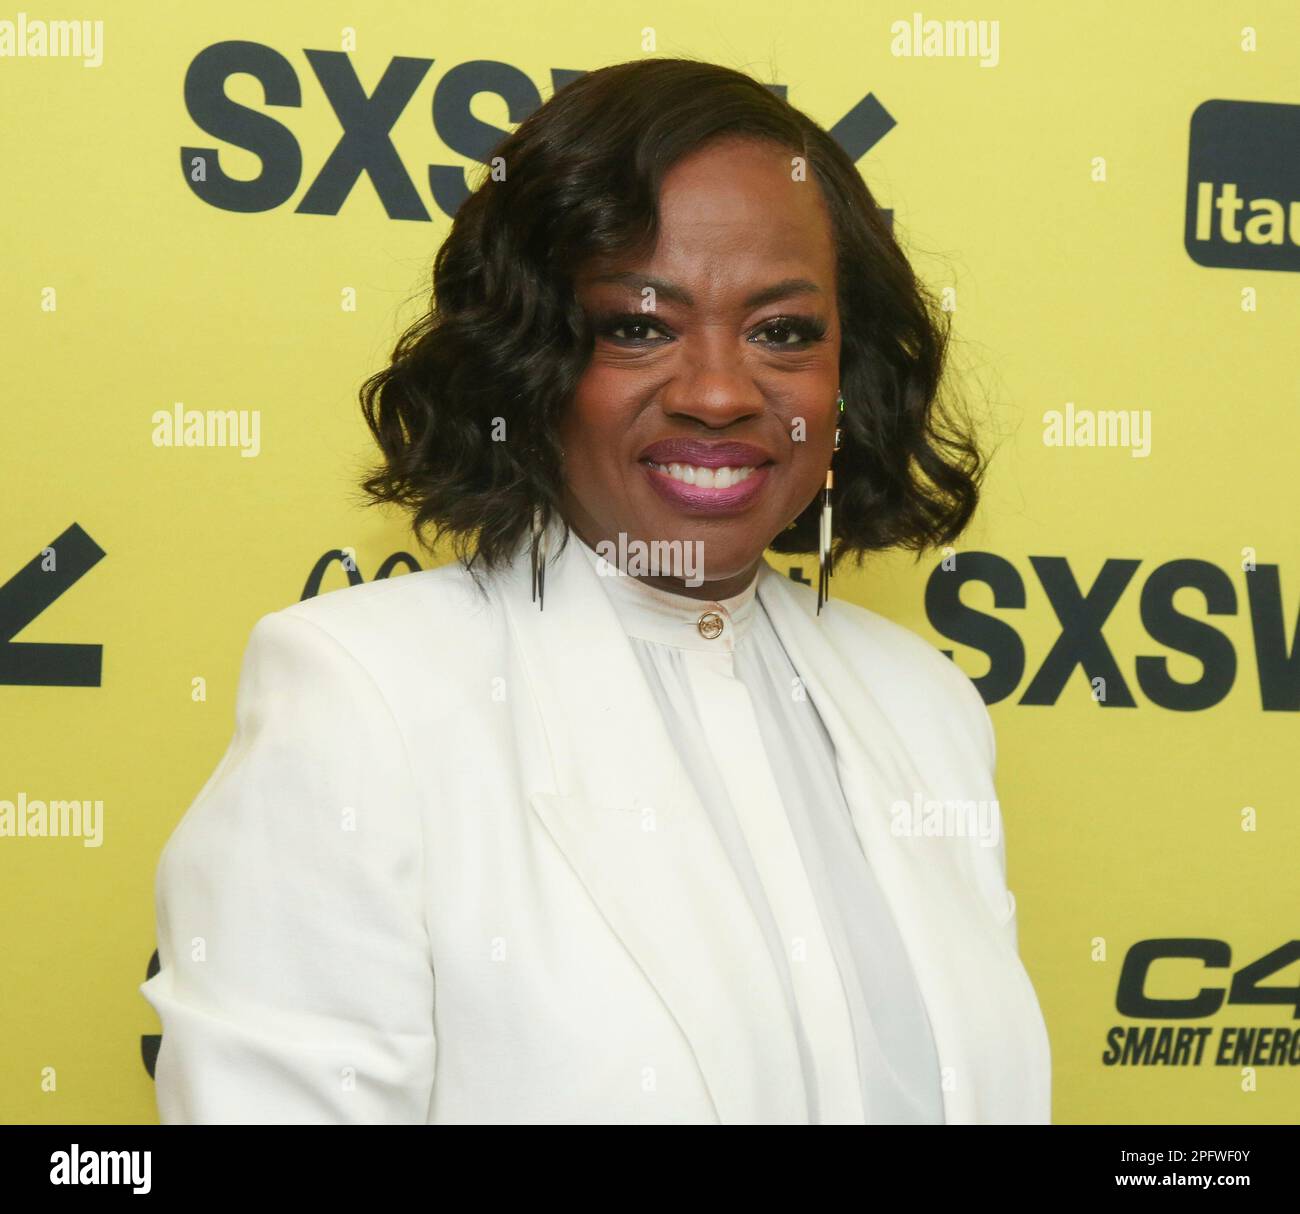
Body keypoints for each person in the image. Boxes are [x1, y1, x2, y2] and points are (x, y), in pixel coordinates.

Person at [140, 56, 1051, 1125]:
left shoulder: (922, 703)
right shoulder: (364, 696)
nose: (719, 392)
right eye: (638, 325)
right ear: (531, 359)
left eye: (783, 331)